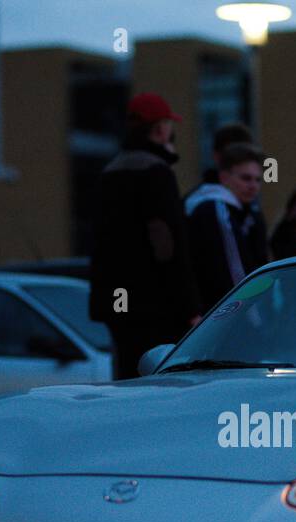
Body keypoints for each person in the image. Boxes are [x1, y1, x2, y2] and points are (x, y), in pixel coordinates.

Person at [89, 93, 202, 379]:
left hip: (117, 305)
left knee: (127, 378)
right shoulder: (156, 172)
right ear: (161, 128)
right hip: (155, 305)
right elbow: (167, 243)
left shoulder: (109, 172)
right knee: (161, 379)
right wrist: (189, 306)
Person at [185, 142, 268, 312]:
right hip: (225, 313)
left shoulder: (245, 212)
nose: (253, 186)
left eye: (258, 179)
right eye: (245, 178)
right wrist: (253, 316)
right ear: (224, 178)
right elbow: (235, 272)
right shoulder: (217, 210)